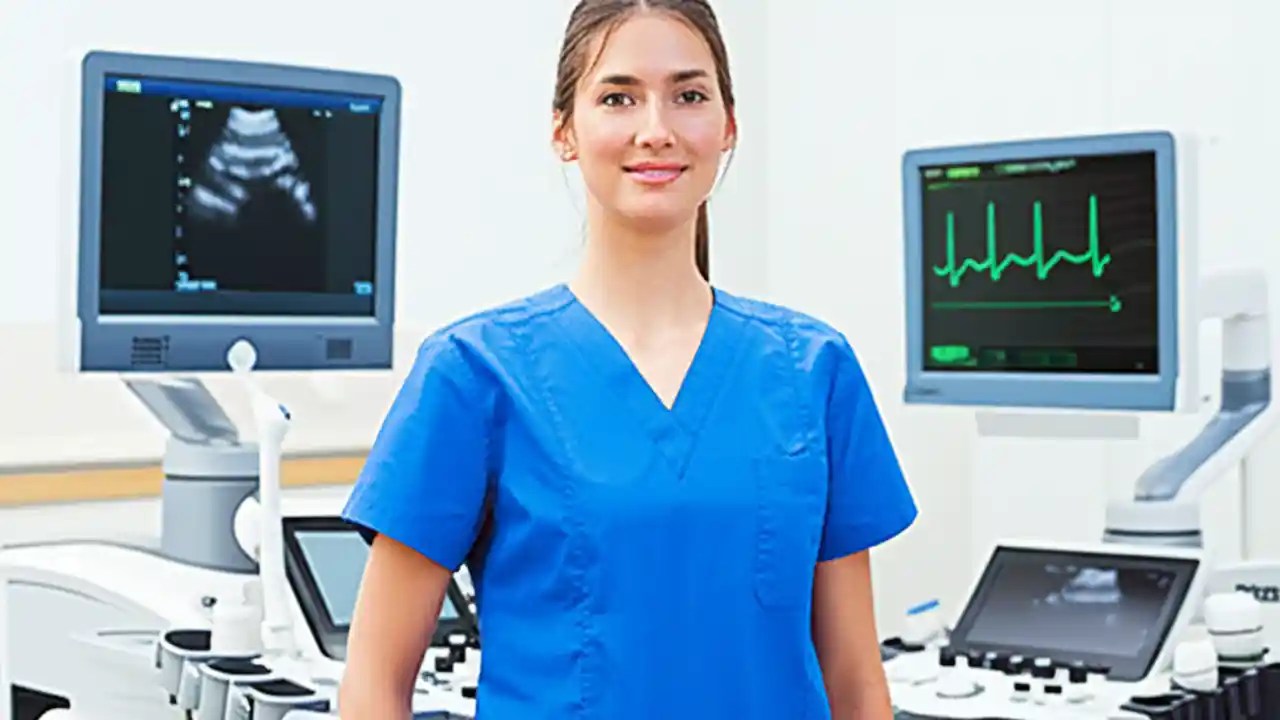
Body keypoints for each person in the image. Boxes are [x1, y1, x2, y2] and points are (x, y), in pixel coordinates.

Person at [336, 1, 918, 718]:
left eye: (689, 95)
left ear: (729, 126)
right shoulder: (473, 373)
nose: (656, 129)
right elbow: (372, 688)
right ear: (564, 131)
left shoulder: (813, 370)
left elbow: (856, 683)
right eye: (618, 97)